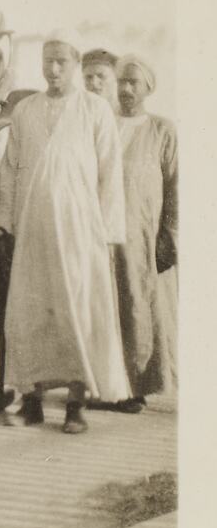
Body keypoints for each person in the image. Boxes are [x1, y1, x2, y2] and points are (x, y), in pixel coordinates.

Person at [0, 32, 128, 434]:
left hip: (80, 227)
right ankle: (31, 401)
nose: (53, 70)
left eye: (61, 63)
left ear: (75, 65)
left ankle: (75, 404)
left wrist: (106, 232)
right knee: (32, 312)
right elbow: (11, 167)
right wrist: (4, 220)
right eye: (47, 61)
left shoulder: (94, 109)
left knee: (77, 310)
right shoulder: (27, 110)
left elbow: (110, 174)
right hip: (34, 226)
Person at [100, 54, 177, 412]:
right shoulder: (105, 125)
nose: (126, 89)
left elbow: (176, 189)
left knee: (137, 308)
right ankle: (101, 386)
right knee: (104, 307)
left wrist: (169, 239)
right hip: (104, 234)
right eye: (121, 82)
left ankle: (135, 388)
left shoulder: (162, 130)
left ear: (148, 87)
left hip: (143, 237)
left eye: (134, 82)